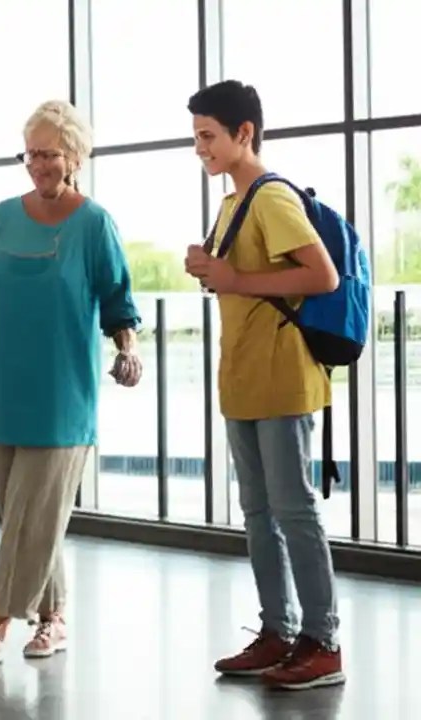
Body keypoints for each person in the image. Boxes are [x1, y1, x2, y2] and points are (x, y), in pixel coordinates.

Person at [0, 100, 141, 666]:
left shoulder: (93, 221)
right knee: (28, 517)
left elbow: (117, 299)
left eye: (48, 154)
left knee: (32, 514)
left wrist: (128, 350)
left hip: (64, 393)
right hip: (7, 390)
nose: (37, 165)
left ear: (75, 156)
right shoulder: (3, 216)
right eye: (29, 154)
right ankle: (53, 620)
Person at [184, 80, 344, 691]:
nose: (200, 148)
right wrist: (214, 272)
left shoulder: (272, 197)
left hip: (281, 376)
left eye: (208, 137)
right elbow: (241, 279)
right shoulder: (231, 204)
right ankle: (278, 631)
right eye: (197, 137)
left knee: (293, 510)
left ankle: (322, 642)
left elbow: (322, 276)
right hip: (244, 377)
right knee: (258, 513)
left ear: (243, 133)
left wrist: (230, 275)